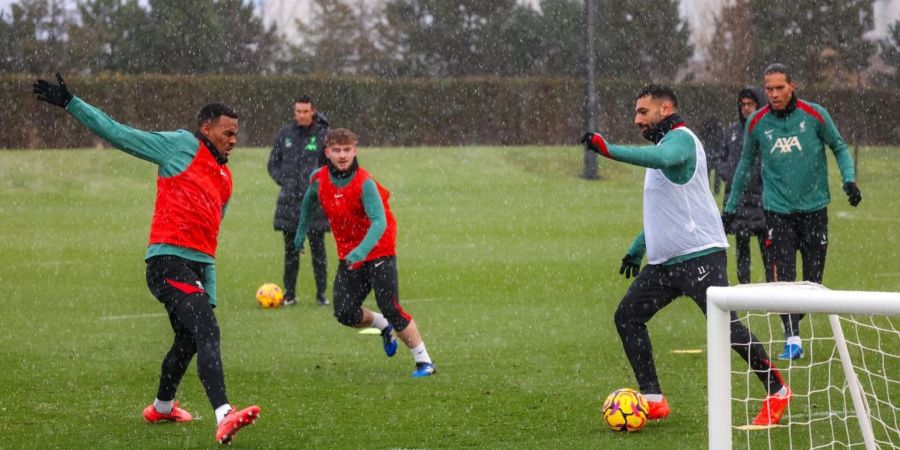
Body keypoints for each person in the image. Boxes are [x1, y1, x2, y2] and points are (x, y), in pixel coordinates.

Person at [32, 74, 260, 445]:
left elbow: (209, 240)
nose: (233, 140)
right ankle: (224, 414)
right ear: (205, 128)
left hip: (195, 267)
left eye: (236, 134)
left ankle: (162, 408)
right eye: (227, 133)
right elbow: (120, 134)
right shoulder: (180, 146)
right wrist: (71, 102)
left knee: (188, 341)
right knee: (207, 330)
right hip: (167, 263)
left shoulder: (225, 179)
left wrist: (210, 290)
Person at [582, 84, 790, 426]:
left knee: (727, 329)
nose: (637, 120)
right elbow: (663, 212)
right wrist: (637, 249)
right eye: (635, 113)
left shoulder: (680, 139)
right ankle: (653, 398)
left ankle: (777, 391)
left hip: (700, 257)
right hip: (665, 264)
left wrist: (608, 149)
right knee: (628, 318)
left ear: (666, 109)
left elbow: (661, 159)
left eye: (643, 112)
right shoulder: (665, 145)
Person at [723, 64, 861, 360]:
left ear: (792, 86)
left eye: (779, 88)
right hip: (777, 213)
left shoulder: (814, 115)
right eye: (769, 89)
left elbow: (839, 146)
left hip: (814, 210)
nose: (773, 94)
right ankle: (792, 337)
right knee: (784, 279)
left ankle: (794, 320)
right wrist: (730, 208)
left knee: (811, 283)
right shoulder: (757, 123)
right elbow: (744, 166)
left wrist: (848, 178)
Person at [293, 128, 436, 377]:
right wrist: (299, 233)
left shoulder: (364, 183)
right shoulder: (320, 179)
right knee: (344, 312)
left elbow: (379, 222)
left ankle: (424, 361)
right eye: (336, 150)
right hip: (350, 254)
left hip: (379, 250)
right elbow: (308, 202)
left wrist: (361, 252)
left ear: (355, 150)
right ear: (327, 152)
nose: (342, 155)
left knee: (391, 306)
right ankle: (383, 326)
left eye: (347, 150)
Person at [268, 96, 330, 307]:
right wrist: (285, 181)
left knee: (318, 251)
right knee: (291, 252)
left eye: (305, 111)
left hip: (315, 204)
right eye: (298, 111)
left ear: (313, 111)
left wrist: (318, 186)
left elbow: (331, 165)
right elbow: (273, 164)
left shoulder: (323, 135)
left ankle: (321, 294)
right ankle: (290, 295)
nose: (302, 115)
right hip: (289, 203)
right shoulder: (285, 134)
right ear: (294, 112)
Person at [719, 86, 771, 285]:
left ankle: (773, 291)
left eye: (751, 104)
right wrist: (728, 174)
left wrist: (758, 181)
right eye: (743, 104)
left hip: (762, 203)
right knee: (742, 251)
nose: (746, 108)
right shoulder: (732, 131)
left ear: (759, 105)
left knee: (769, 250)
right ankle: (744, 290)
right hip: (737, 203)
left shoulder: (766, 131)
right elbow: (720, 157)